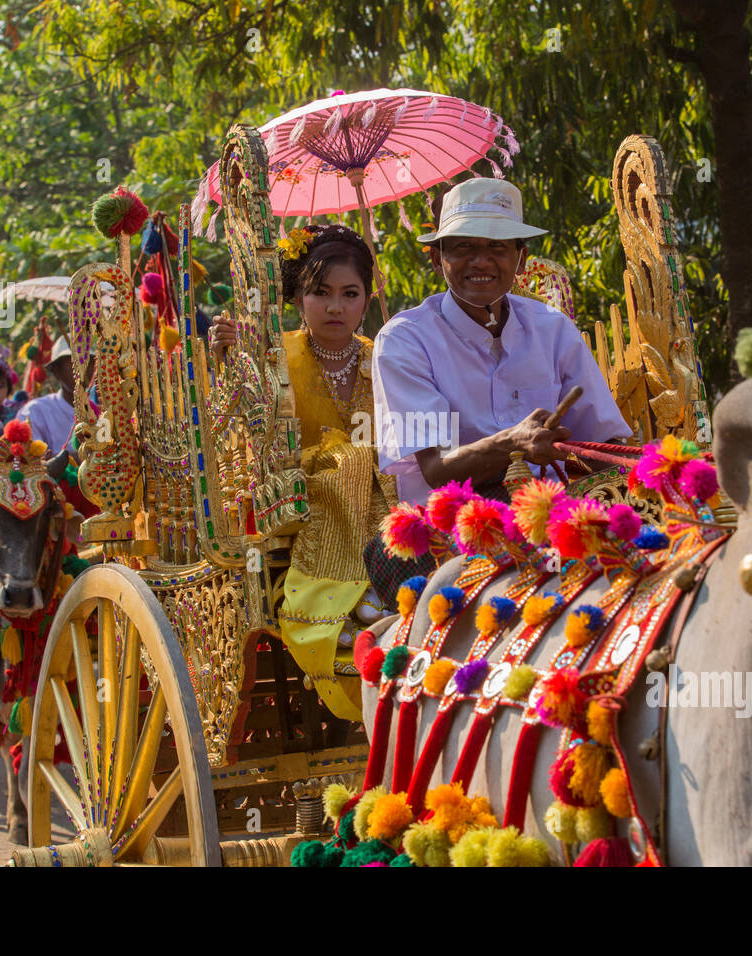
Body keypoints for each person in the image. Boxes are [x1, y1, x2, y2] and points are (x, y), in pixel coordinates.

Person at [368, 178, 633, 601]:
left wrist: (634, 499)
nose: (481, 261)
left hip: (551, 510)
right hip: (451, 523)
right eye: (463, 247)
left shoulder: (553, 329)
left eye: (497, 246)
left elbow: (605, 444)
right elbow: (435, 470)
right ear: (437, 259)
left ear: (521, 258)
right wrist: (514, 443)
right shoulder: (404, 340)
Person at [211, 224, 395, 721]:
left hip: (383, 499)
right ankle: (342, 621)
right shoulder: (273, 358)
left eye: (349, 294)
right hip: (301, 500)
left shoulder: (386, 360)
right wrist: (231, 363)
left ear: (366, 298)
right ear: (297, 296)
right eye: (320, 293)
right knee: (347, 465)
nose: (335, 307)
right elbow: (240, 433)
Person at [14, 336, 76, 457]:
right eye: (74, 363)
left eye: (89, 362)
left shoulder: (104, 410)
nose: (83, 370)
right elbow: (31, 464)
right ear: (56, 370)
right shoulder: (33, 412)